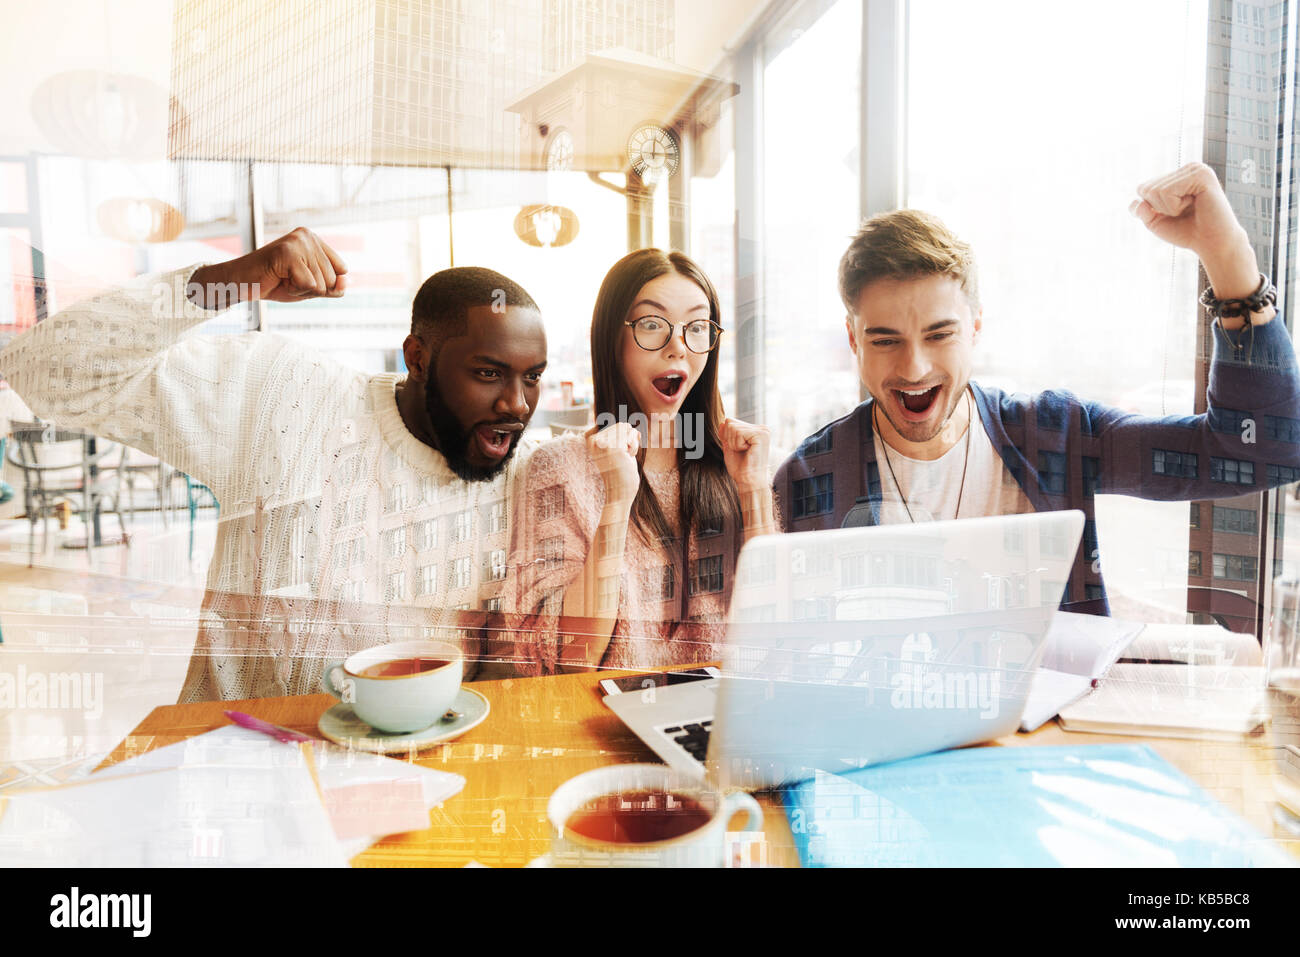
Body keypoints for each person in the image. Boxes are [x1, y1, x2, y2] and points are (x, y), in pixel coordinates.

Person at [0, 228, 548, 700]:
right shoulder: (283, 394)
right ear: (418, 358)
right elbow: (45, 371)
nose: (517, 404)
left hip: (433, 781)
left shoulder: (530, 478)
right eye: (488, 373)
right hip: (241, 770)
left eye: (533, 377)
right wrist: (228, 280)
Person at [774, 162, 1300, 612]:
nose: (914, 367)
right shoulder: (807, 478)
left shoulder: (1055, 433)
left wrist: (1228, 254)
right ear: (853, 339)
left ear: (975, 327)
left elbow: (1263, 451)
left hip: (1046, 730)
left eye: (940, 334)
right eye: (886, 340)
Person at [496, 248, 774, 675]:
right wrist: (616, 502)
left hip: (726, 723)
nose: (678, 347)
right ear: (613, 338)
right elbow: (565, 658)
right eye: (651, 325)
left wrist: (753, 491)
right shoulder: (558, 468)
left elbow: (777, 637)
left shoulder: (737, 464)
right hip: (608, 725)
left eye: (697, 327)